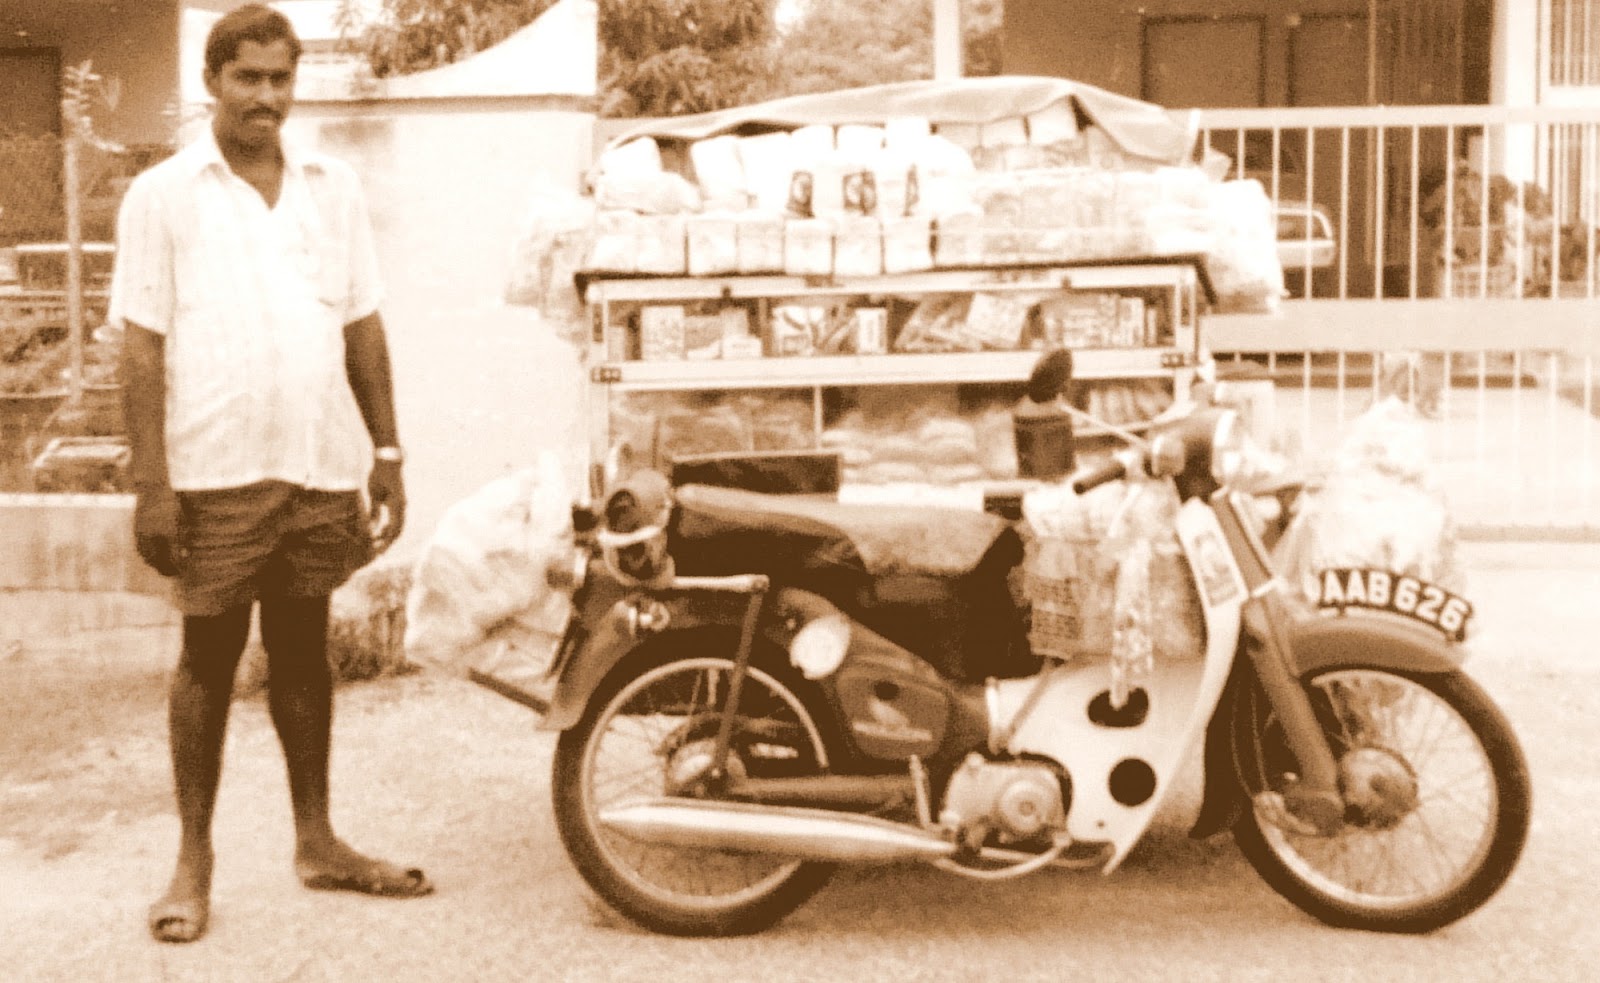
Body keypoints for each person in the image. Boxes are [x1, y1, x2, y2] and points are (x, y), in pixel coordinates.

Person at [111, 4, 431, 945]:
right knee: (208, 660)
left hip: (317, 463)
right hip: (212, 471)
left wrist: (387, 451)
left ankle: (318, 839)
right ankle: (193, 860)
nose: (266, 97)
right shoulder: (163, 196)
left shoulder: (333, 189)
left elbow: (363, 324)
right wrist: (152, 484)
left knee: (303, 651)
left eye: (280, 78)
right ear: (212, 81)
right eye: (247, 77)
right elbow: (140, 348)